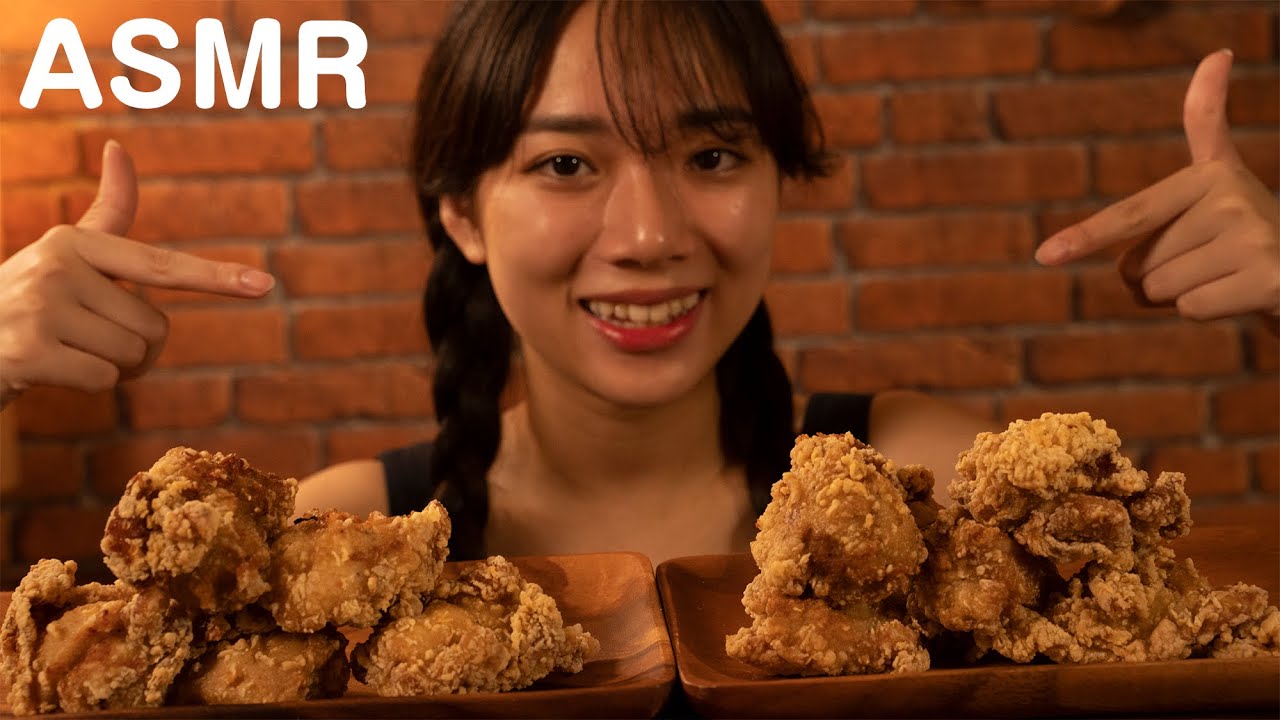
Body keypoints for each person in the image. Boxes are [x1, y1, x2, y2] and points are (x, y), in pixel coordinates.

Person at [0, 2, 1276, 566]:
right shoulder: (350, 533)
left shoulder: (933, 480)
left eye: (711, 155)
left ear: (778, 179)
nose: (649, 231)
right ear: (461, 214)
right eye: (565, 162)